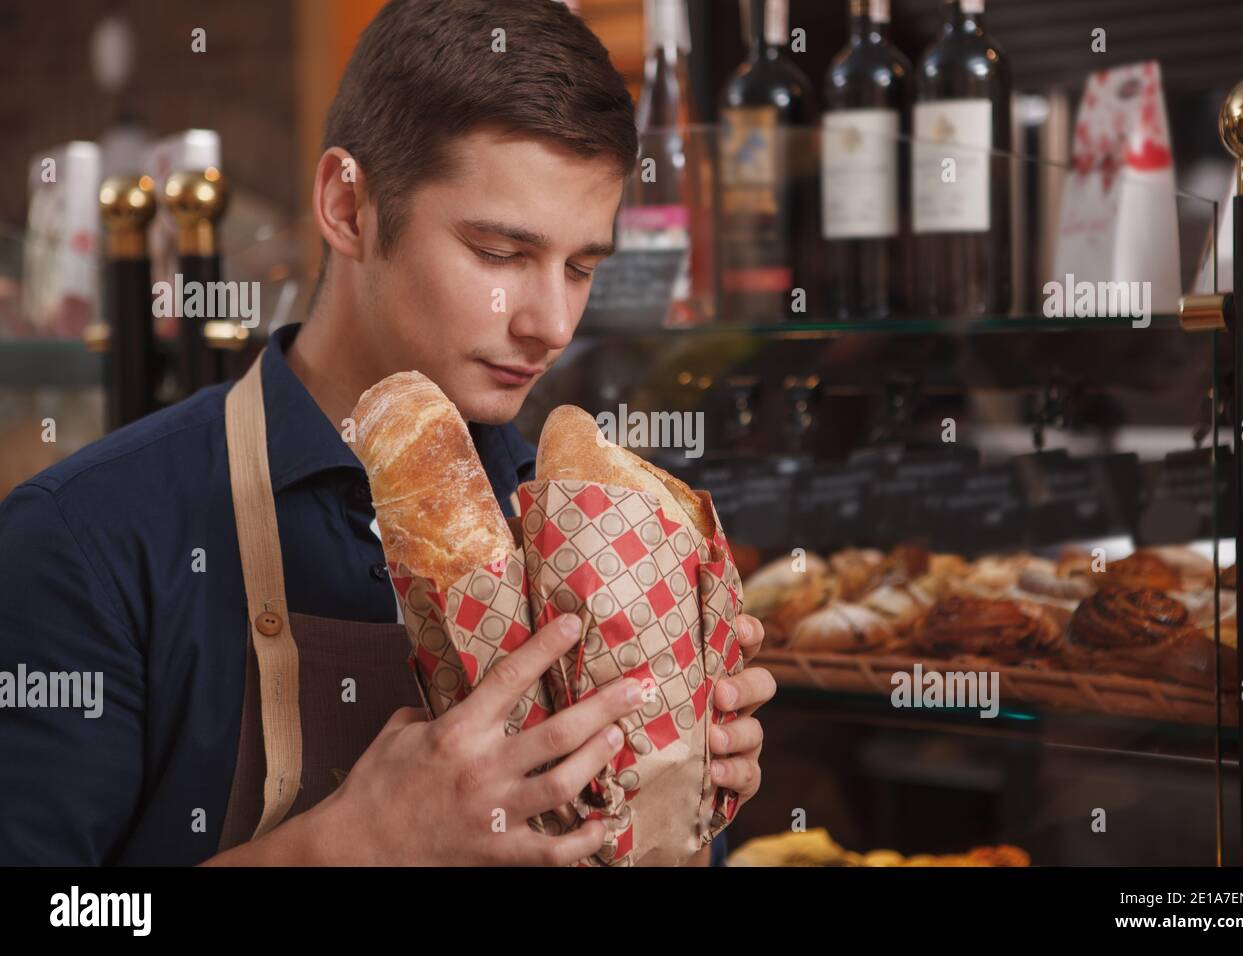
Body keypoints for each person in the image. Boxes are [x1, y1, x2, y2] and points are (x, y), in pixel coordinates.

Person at [0, 0, 775, 866]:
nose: (553, 324)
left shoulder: (585, 534)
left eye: (582, 266)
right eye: (500, 254)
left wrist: (682, 796)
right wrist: (350, 845)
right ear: (348, 204)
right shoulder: (80, 541)